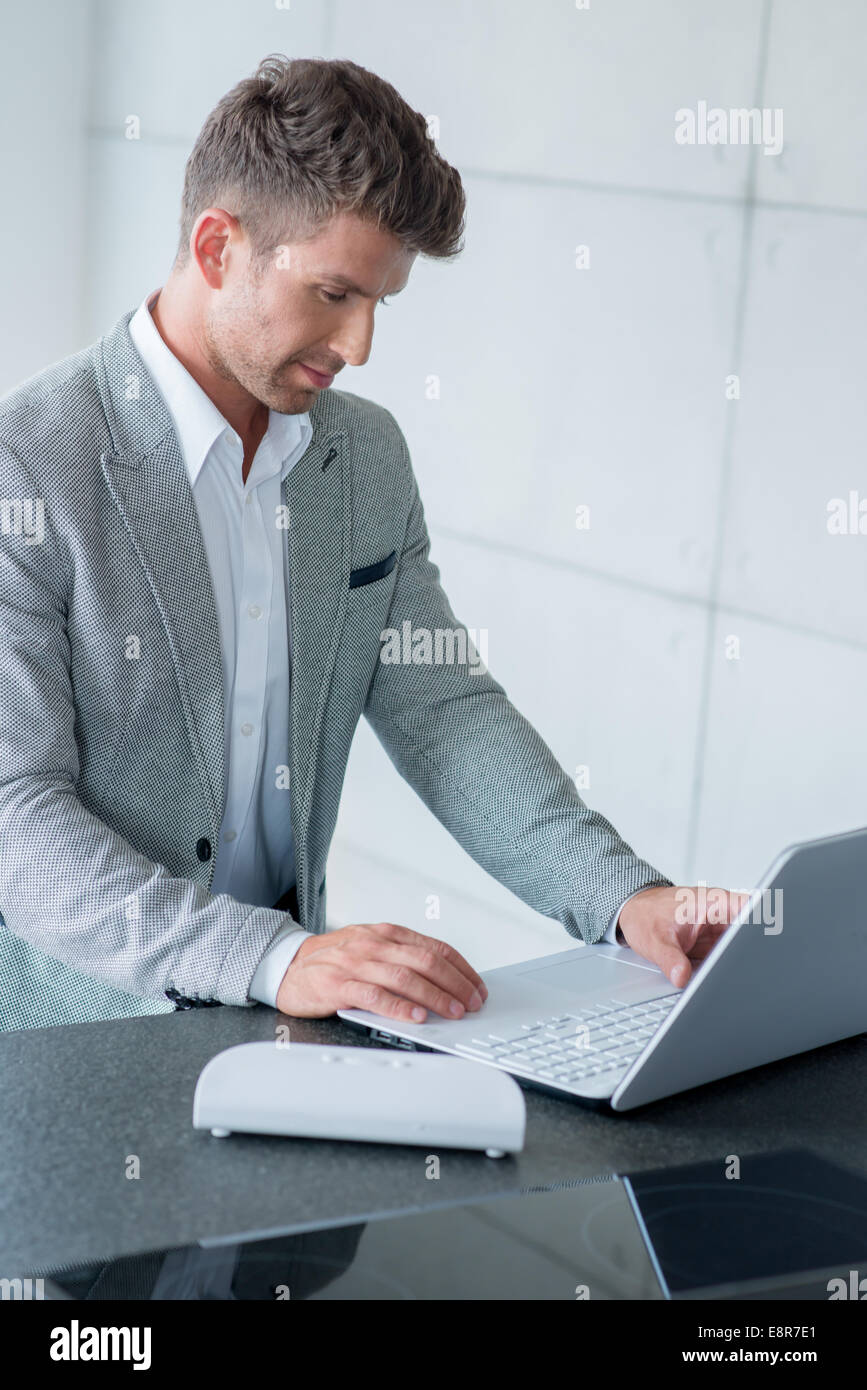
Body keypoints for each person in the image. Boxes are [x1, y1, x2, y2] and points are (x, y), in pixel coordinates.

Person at [0, 55, 746, 1033]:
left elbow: (443, 709)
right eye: (333, 293)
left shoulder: (366, 458)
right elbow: (17, 812)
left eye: (380, 303)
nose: (360, 347)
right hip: (77, 1044)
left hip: (286, 1012)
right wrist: (267, 955)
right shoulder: (28, 466)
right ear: (218, 246)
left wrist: (622, 895)